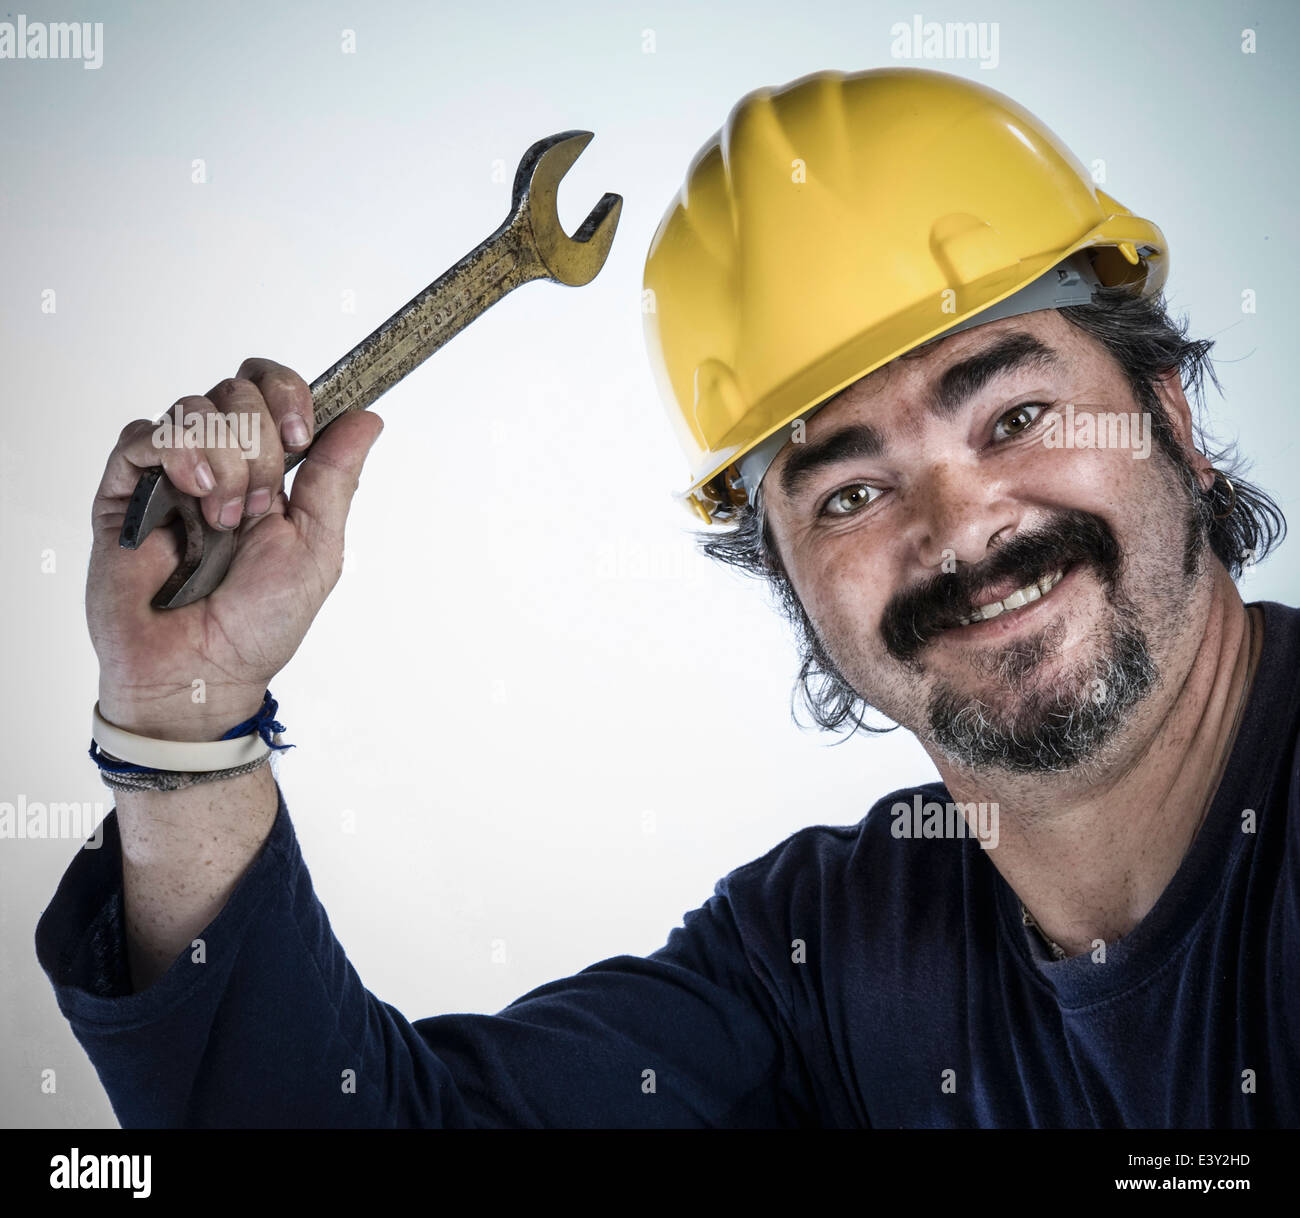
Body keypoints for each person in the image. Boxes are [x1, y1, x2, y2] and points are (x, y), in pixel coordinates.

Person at [38, 67, 1296, 1128]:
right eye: (847, 494)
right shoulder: (824, 957)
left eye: (1016, 416)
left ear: (1170, 420)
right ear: (789, 582)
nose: (959, 526)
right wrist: (185, 718)